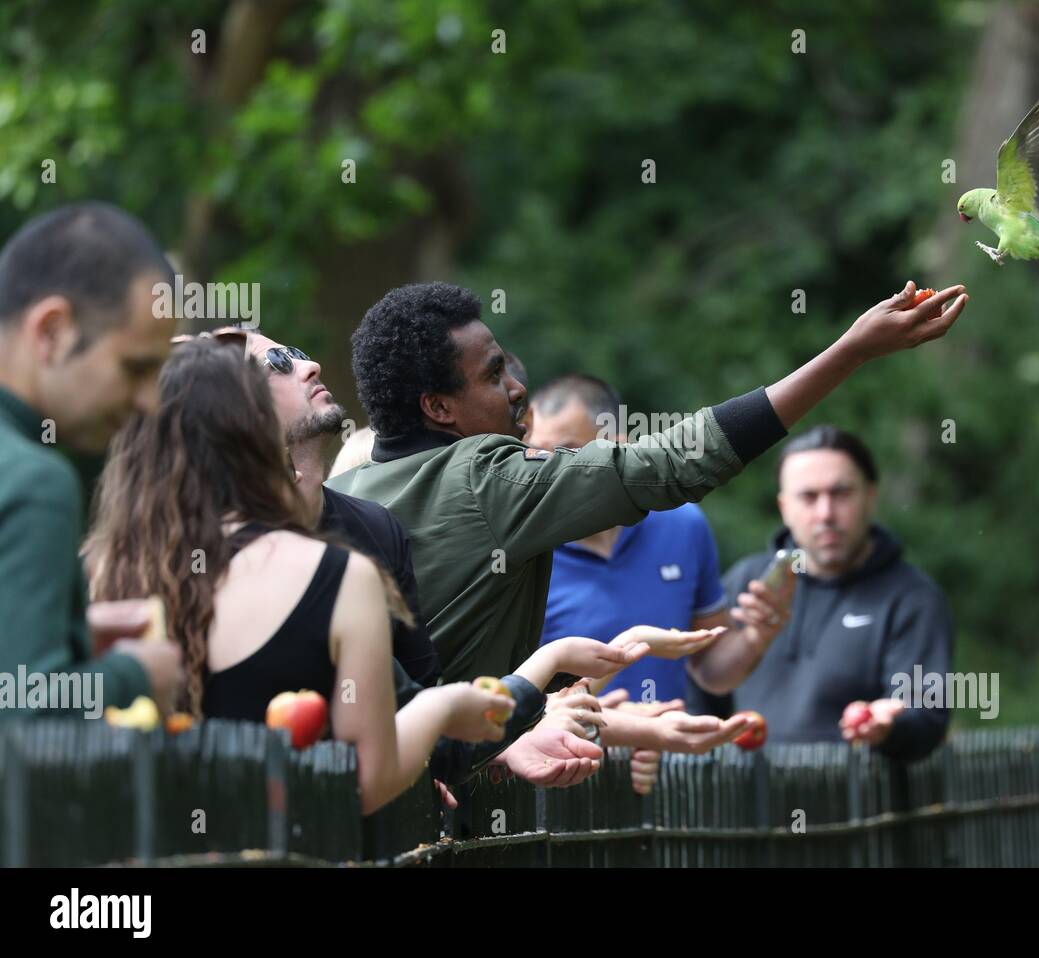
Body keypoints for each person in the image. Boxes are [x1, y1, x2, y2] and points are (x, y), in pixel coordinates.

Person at [326, 279, 967, 700]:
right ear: (439, 407)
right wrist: (849, 352)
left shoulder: (347, 488)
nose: (518, 388)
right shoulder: (483, 479)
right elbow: (673, 464)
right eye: (493, 376)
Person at [82, 338, 643, 813]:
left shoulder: (102, 571)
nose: (310, 367)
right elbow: (379, 773)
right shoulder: (336, 575)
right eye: (276, 367)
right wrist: (452, 706)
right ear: (245, 424)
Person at [245, 330, 611, 789]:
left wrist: (424, 763)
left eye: (298, 353)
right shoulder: (191, 562)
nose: (310, 365)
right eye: (278, 362)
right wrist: (546, 667)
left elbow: (421, 720)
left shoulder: (371, 531)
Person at [0, 202, 182, 719]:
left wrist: (70, 632)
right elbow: (22, 721)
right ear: (52, 331)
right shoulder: (37, 483)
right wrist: (137, 676)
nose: (150, 401)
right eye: (136, 367)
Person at [686, 427, 954, 760]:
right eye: (808, 497)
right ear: (784, 506)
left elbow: (927, 719)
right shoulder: (748, 583)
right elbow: (698, 691)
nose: (826, 513)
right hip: (750, 802)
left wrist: (887, 727)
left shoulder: (912, 597)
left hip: (861, 806)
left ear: (870, 495)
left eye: (840, 493)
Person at [529, 374, 787, 705]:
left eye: (568, 452)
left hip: (665, 754)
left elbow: (712, 671)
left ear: (616, 446)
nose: (551, 473)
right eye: (538, 455)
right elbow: (504, 698)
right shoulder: (524, 544)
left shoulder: (682, 525)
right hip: (558, 754)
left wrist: (757, 635)